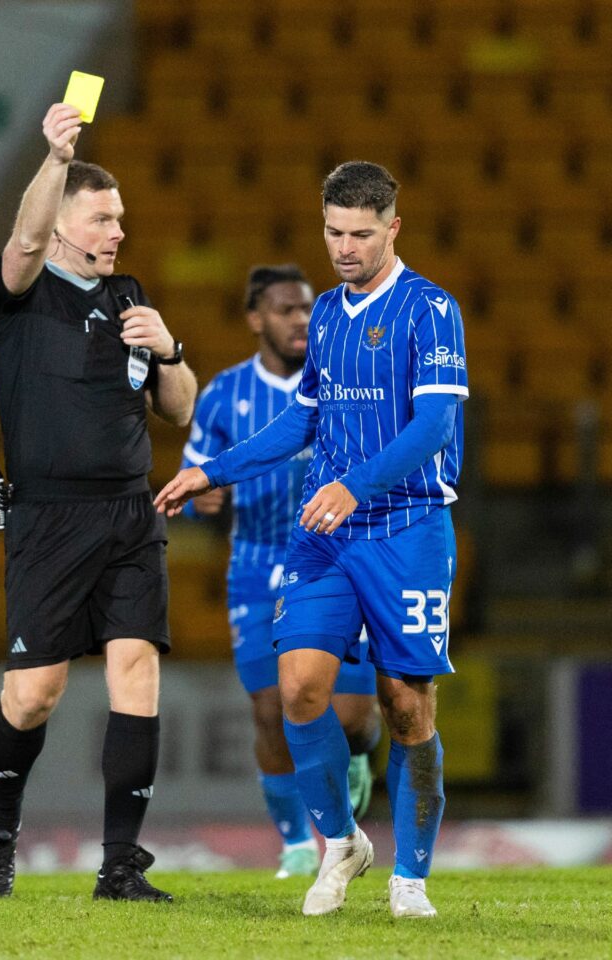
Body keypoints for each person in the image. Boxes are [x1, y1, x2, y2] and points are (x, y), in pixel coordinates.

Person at [155, 161, 468, 919]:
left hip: (408, 528)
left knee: (403, 706)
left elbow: (434, 426)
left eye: (362, 234)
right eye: (334, 232)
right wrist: (210, 471)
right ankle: (341, 844)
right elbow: (304, 419)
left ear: (394, 228)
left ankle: (411, 879)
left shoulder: (430, 310)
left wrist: (355, 484)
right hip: (324, 536)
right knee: (297, 688)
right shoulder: (326, 313)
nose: (345, 248)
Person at [0, 103, 197, 903]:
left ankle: (119, 867)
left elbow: (180, 408)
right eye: (102, 216)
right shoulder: (20, 294)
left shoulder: (129, 295)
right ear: (64, 224)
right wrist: (54, 158)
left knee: (136, 671)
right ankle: (1, 826)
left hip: (131, 513)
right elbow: (25, 240)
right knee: (35, 693)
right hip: (50, 516)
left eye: (121, 218)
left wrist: (168, 349)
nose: (117, 231)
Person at [180, 264, 380, 879]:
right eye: (285, 310)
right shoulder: (223, 393)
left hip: (338, 561)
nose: (299, 320)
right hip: (256, 566)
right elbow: (196, 475)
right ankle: (296, 844)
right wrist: (201, 499)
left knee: (346, 719)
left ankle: (356, 752)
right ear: (255, 318)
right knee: (271, 710)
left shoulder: (348, 383)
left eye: (306, 309)